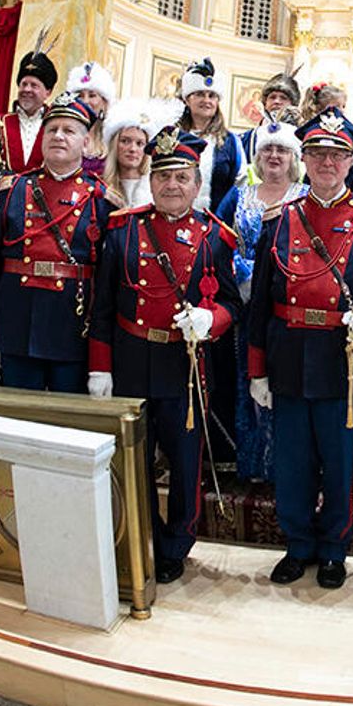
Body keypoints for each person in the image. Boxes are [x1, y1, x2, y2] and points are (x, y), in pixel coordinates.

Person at [247, 107, 353, 590]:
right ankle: (298, 545)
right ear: (306, 159)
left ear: (350, 160)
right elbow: (261, 302)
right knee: (292, 465)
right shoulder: (279, 220)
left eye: (337, 155)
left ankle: (335, 549)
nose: (327, 163)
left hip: (344, 363)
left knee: (338, 466)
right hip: (289, 359)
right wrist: (257, 370)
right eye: (317, 154)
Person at [89, 127, 239, 583]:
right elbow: (102, 306)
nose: (171, 185)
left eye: (181, 177)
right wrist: (100, 368)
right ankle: (142, 533)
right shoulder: (123, 229)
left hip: (184, 366)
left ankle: (177, 543)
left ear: (197, 183)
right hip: (131, 359)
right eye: (163, 176)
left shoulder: (216, 237)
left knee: (185, 460)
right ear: (150, 180)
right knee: (133, 459)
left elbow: (232, 305)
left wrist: (210, 319)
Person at [0, 94, 109, 393]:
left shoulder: (101, 200)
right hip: (17, 325)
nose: (58, 136)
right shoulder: (12, 190)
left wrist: (101, 359)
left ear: (86, 143)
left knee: (64, 418)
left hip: (72, 329)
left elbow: (105, 285)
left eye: (68, 130)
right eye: (52, 130)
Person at [215, 117, 304, 483]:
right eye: (267, 149)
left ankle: (286, 462)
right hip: (246, 300)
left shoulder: (305, 195)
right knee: (247, 376)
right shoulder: (240, 194)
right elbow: (218, 238)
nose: (274, 156)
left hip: (289, 303)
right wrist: (241, 273)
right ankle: (253, 461)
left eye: (282, 150)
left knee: (286, 378)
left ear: (294, 157)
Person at [177, 58, 243, 214]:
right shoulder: (173, 136)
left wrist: (221, 217)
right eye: (200, 94)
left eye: (212, 95)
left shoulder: (231, 142)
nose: (206, 100)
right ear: (187, 99)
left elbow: (240, 184)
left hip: (216, 223)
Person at [102, 98, 175, 210]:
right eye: (125, 141)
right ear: (115, 145)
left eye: (140, 143)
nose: (132, 149)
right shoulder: (100, 188)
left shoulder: (159, 188)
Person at [1, 45, 57, 176]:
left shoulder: (55, 123)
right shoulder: (0, 123)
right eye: (24, 84)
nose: (27, 89)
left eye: (34, 85)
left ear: (48, 92)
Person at [63, 61, 115, 174]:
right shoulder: (62, 134)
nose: (85, 101)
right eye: (80, 96)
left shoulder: (112, 139)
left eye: (92, 96)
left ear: (104, 103)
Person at [240, 72, 301, 161]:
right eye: (272, 97)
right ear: (265, 103)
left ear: (293, 104)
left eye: (283, 98)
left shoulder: (301, 137)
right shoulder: (246, 139)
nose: (277, 101)